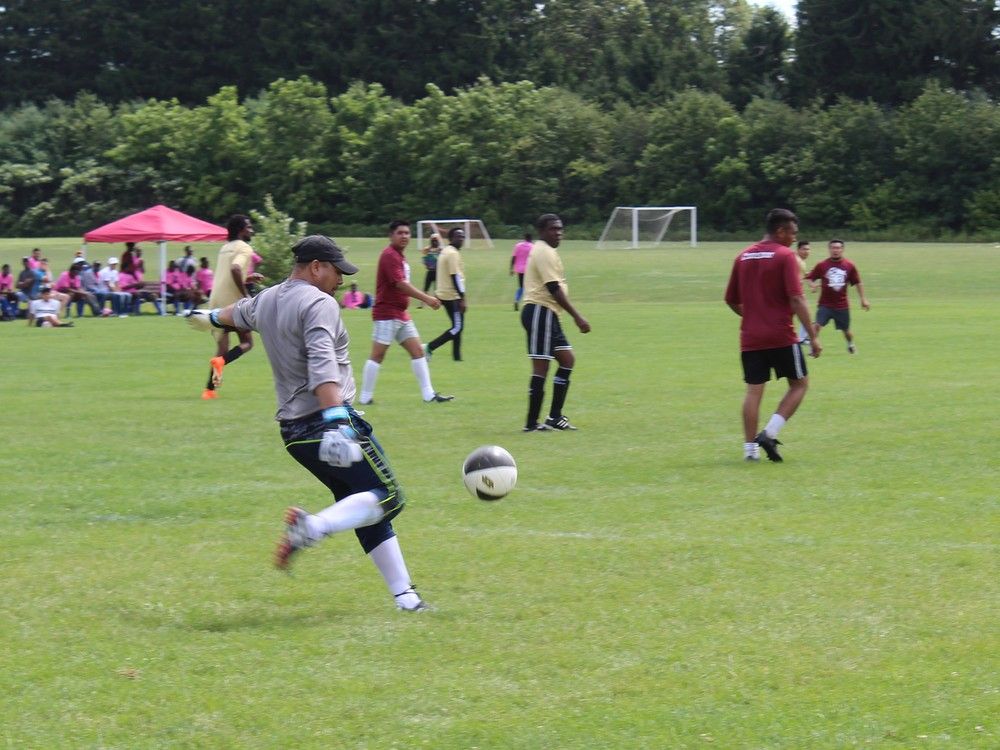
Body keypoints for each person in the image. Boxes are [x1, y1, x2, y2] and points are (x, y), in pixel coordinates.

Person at [185, 235, 428, 612]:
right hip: (327, 421)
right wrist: (336, 423)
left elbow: (237, 313)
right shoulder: (319, 302)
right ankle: (311, 528)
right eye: (337, 272)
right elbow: (322, 363)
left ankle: (406, 597)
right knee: (388, 495)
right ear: (316, 267)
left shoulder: (268, 299)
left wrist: (208, 317)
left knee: (360, 504)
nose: (341, 281)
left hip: (294, 434)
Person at [724, 208, 822, 463]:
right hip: (781, 335)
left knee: (753, 391)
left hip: (751, 337)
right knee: (799, 384)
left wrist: (752, 316)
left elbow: (730, 299)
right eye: (793, 233)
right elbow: (797, 298)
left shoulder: (743, 256)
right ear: (780, 231)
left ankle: (750, 451)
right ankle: (769, 433)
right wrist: (813, 336)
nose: (794, 238)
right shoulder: (785, 256)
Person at [358, 220, 453, 405]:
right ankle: (365, 398)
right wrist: (427, 299)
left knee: (418, 351)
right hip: (387, 313)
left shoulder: (398, 255)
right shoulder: (389, 255)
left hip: (400, 313)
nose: (404, 236)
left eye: (407, 233)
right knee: (377, 355)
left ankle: (429, 395)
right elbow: (400, 284)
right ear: (391, 236)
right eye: (400, 233)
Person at [520, 213, 590, 432]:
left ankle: (555, 417)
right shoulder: (543, 251)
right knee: (541, 367)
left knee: (567, 360)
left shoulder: (548, 251)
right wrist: (577, 316)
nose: (558, 233)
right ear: (541, 231)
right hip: (540, 311)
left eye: (560, 229)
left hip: (549, 314)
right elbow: (553, 288)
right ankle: (531, 423)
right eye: (553, 229)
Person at [200, 214, 263, 400]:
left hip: (215, 301)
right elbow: (235, 269)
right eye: (249, 227)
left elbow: (227, 274)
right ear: (241, 230)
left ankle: (209, 390)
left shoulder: (225, 248)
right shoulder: (244, 248)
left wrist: (248, 277)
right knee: (247, 343)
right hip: (233, 303)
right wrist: (245, 294)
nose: (251, 230)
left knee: (222, 347)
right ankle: (222, 362)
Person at [806, 239, 870, 354]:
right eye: (833, 248)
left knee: (846, 331)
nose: (835, 250)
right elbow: (810, 277)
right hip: (825, 304)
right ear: (829, 249)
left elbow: (858, 282)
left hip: (841, 305)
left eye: (838, 248)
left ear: (842, 249)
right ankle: (813, 348)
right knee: (817, 326)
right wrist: (812, 285)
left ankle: (850, 344)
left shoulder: (849, 265)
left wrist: (863, 299)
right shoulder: (822, 265)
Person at [425, 227, 467, 361]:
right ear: (451, 238)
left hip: (445, 294)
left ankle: (457, 358)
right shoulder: (453, 253)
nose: (461, 239)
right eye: (458, 236)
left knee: (457, 326)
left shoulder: (445, 251)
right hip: (452, 296)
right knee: (457, 327)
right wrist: (462, 298)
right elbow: (455, 277)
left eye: (462, 236)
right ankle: (429, 347)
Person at [510, 232, 533, 311]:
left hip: (519, 269)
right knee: (529, 287)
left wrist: (511, 269)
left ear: (524, 238)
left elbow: (513, 257)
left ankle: (517, 300)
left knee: (521, 287)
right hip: (529, 270)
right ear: (531, 239)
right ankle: (527, 303)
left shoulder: (518, 246)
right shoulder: (532, 247)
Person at [795, 241, 812, 344]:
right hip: (795, 294)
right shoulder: (796, 261)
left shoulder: (801, 262)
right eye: (804, 249)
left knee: (805, 313)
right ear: (798, 250)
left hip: (797, 293)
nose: (806, 251)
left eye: (808, 249)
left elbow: (804, 275)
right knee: (805, 313)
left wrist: (811, 283)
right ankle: (802, 338)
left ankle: (802, 338)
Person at [419, 233, 441, 305]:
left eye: (436, 240)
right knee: (426, 288)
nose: (434, 242)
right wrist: (426, 263)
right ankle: (422, 304)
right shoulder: (428, 249)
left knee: (437, 289)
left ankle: (437, 303)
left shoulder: (440, 250)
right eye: (433, 240)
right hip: (430, 271)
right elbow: (424, 257)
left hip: (437, 272)